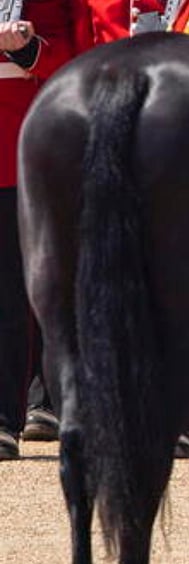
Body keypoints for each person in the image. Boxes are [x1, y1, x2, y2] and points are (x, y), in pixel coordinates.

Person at [0, 7, 91, 460]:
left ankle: (4, 418)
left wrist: (29, 49)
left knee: (15, 293)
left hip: (23, 145)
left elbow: (78, 58)